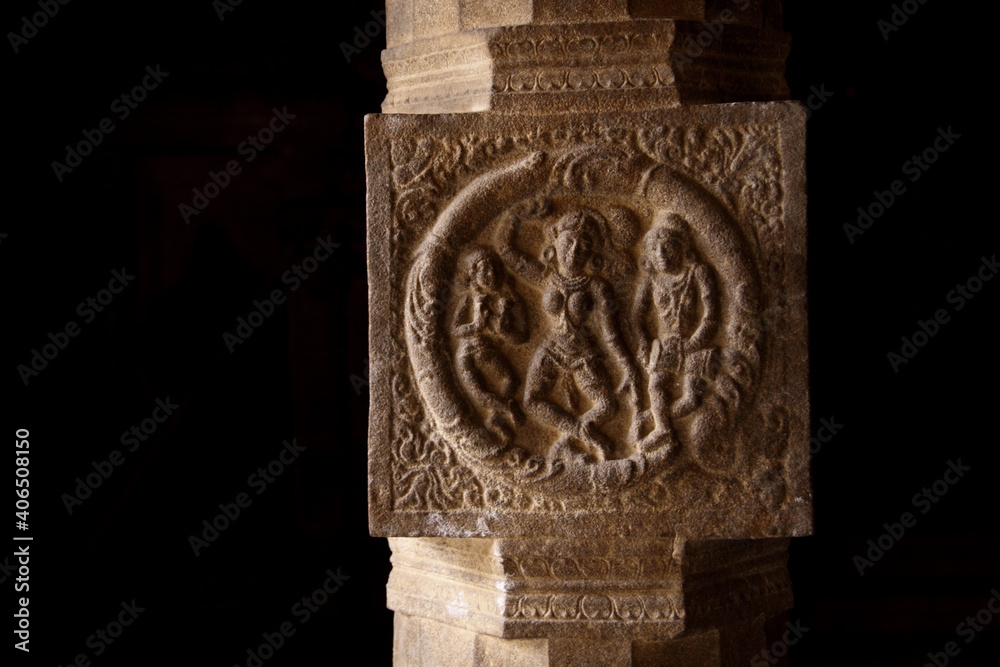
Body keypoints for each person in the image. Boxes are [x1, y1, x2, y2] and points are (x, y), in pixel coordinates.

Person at [498, 202, 638, 462]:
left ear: (591, 253)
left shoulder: (596, 286)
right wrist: (517, 216)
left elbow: (611, 335)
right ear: (555, 244)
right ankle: (583, 434)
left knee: (608, 406)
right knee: (532, 402)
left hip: (583, 354)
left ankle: (569, 440)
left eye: (582, 246)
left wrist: (628, 366)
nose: (573, 252)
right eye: (568, 242)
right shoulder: (545, 277)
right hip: (551, 349)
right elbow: (507, 251)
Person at [631, 214, 720, 447]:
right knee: (656, 385)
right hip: (666, 345)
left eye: (668, 247)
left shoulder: (698, 273)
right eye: (654, 249)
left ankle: (651, 417)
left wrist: (694, 343)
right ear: (648, 254)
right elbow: (637, 317)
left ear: (681, 249)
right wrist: (644, 344)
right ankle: (663, 430)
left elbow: (711, 316)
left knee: (692, 399)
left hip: (694, 344)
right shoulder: (650, 281)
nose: (661, 254)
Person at [452, 246, 527, 443]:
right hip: (467, 353)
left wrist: (505, 330)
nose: (491, 274)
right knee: (479, 394)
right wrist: (475, 326)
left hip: (489, 352)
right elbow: (455, 330)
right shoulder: (470, 299)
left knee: (511, 381)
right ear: (473, 275)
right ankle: (506, 408)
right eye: (484, 270)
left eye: (495, 269)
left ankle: (497, 417)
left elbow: (522, 336)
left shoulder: (509, 300)